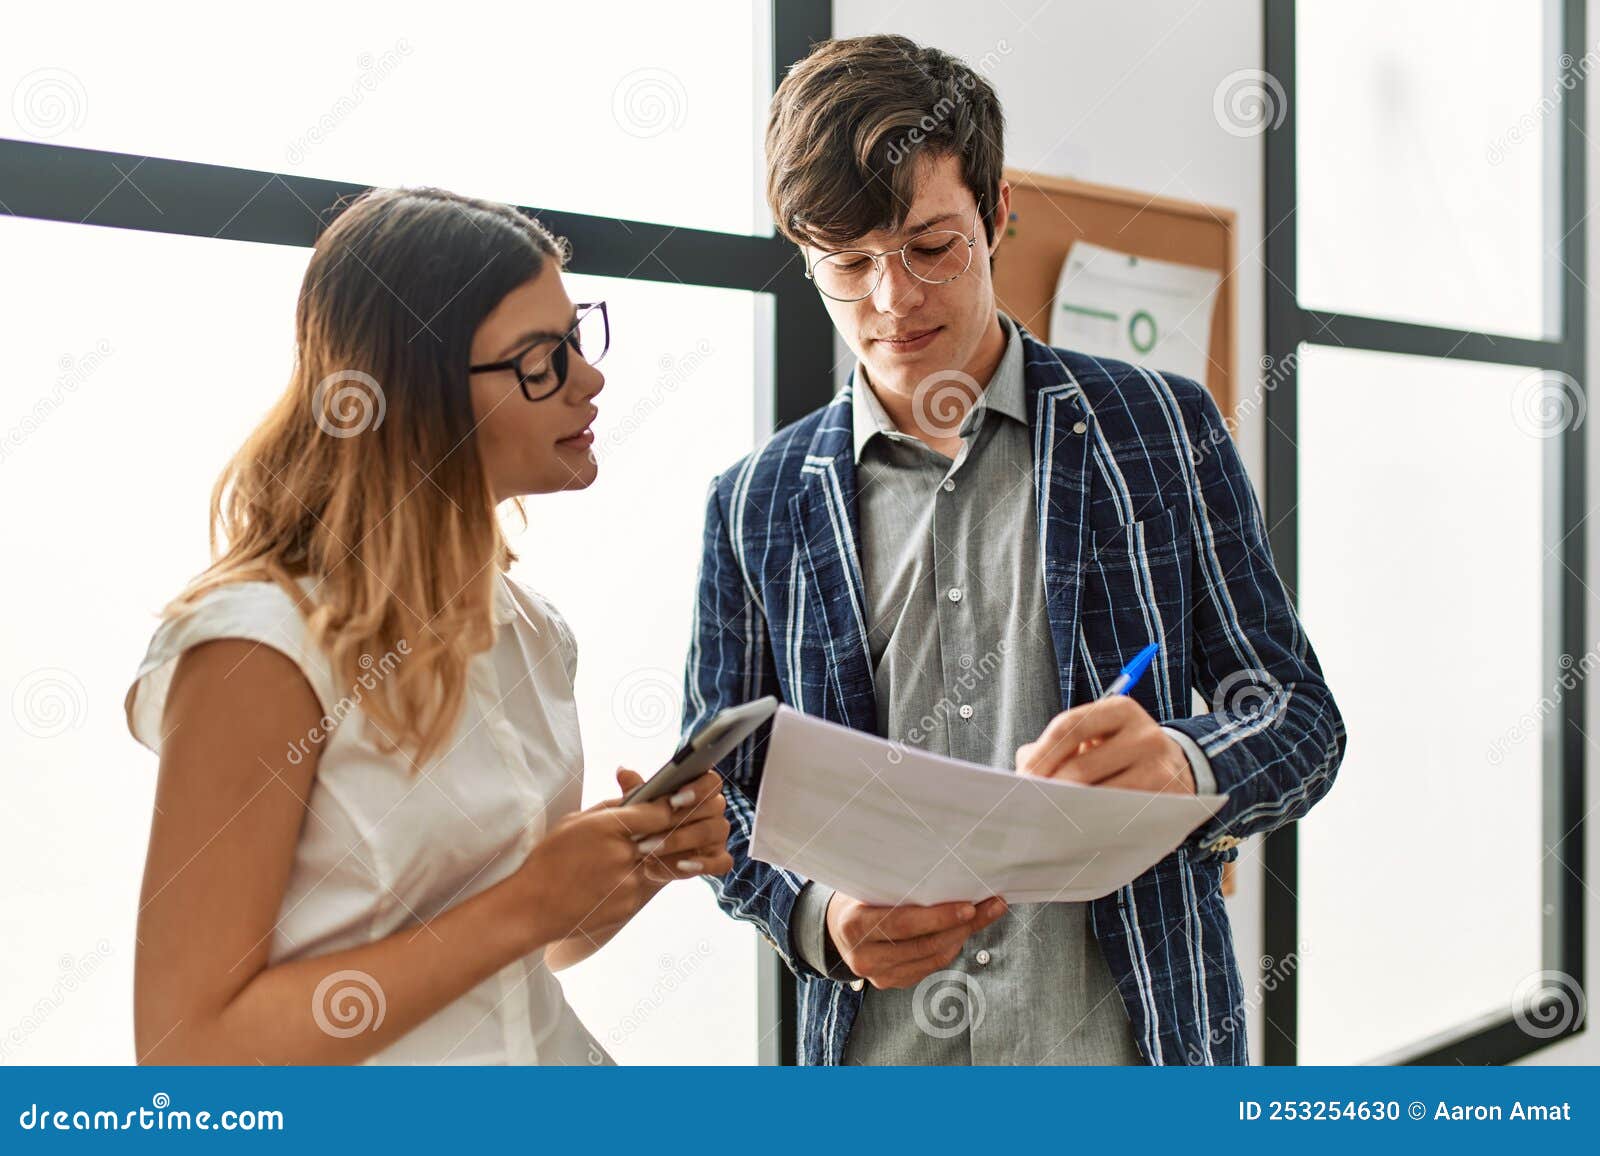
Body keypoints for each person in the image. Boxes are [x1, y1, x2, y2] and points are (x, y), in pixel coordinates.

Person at [683, 34, 1346, 1065]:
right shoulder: (753, 502)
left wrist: (1183, 760)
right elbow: (716, 795)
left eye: (928, 245)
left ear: (996, 212)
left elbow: (1301, 720)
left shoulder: (1163, 430)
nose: (891, 301)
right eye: (846, 265)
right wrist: (815, 920)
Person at [124, 186, 731, 1065]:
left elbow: (519, 958)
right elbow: (190, 1053)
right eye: (540, 359)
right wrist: (530, 900)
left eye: (577, 337)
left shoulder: (532, 632)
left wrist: (620, 871)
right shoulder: (257, 649)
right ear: (418, 393)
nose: (590, 380)